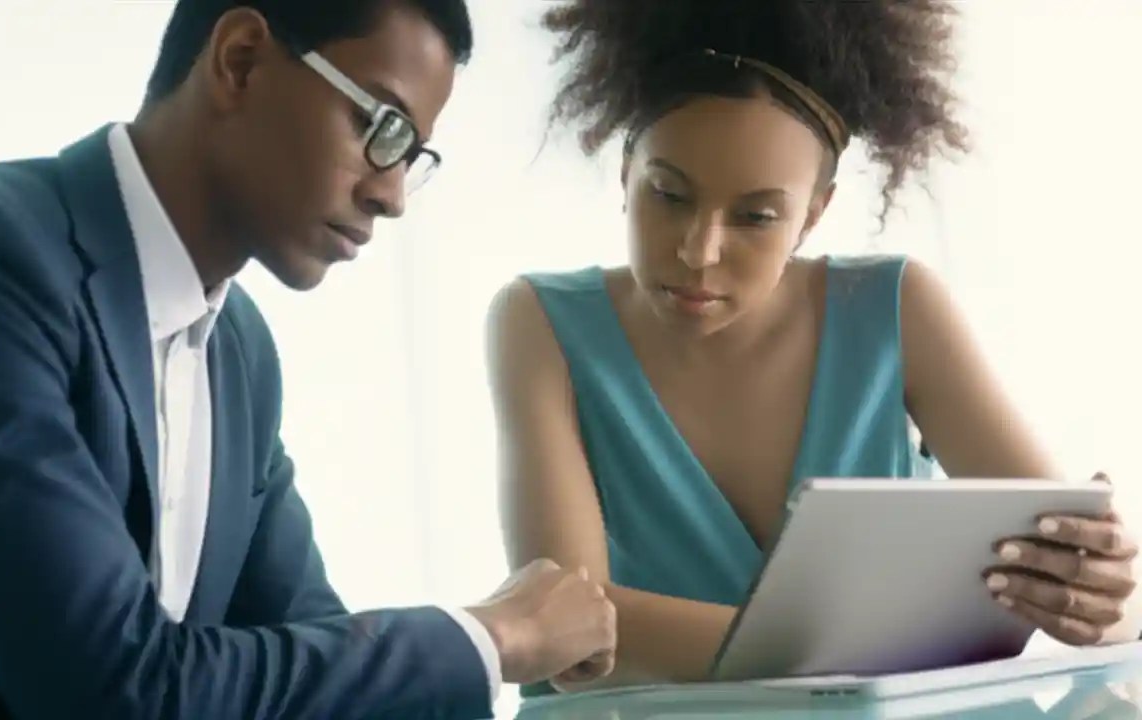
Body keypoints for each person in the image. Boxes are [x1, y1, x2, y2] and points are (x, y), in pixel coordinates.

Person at [0, 1, 617, 717]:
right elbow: (114, 689)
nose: (393, 196)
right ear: (241, 60)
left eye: (413, 155)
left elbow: (316, 671)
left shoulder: (239, 350)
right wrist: (494, 636)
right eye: (383, 128)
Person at [486, 0, 1139, 695]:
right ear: (625, 174)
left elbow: (1093, 590)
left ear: (814, 213)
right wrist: (896, 648)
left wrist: (1106, 603)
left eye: (756, 217)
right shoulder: (539, 321)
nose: (698, 250)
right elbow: (563, 638)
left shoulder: (896, 308)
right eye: (669, 194)